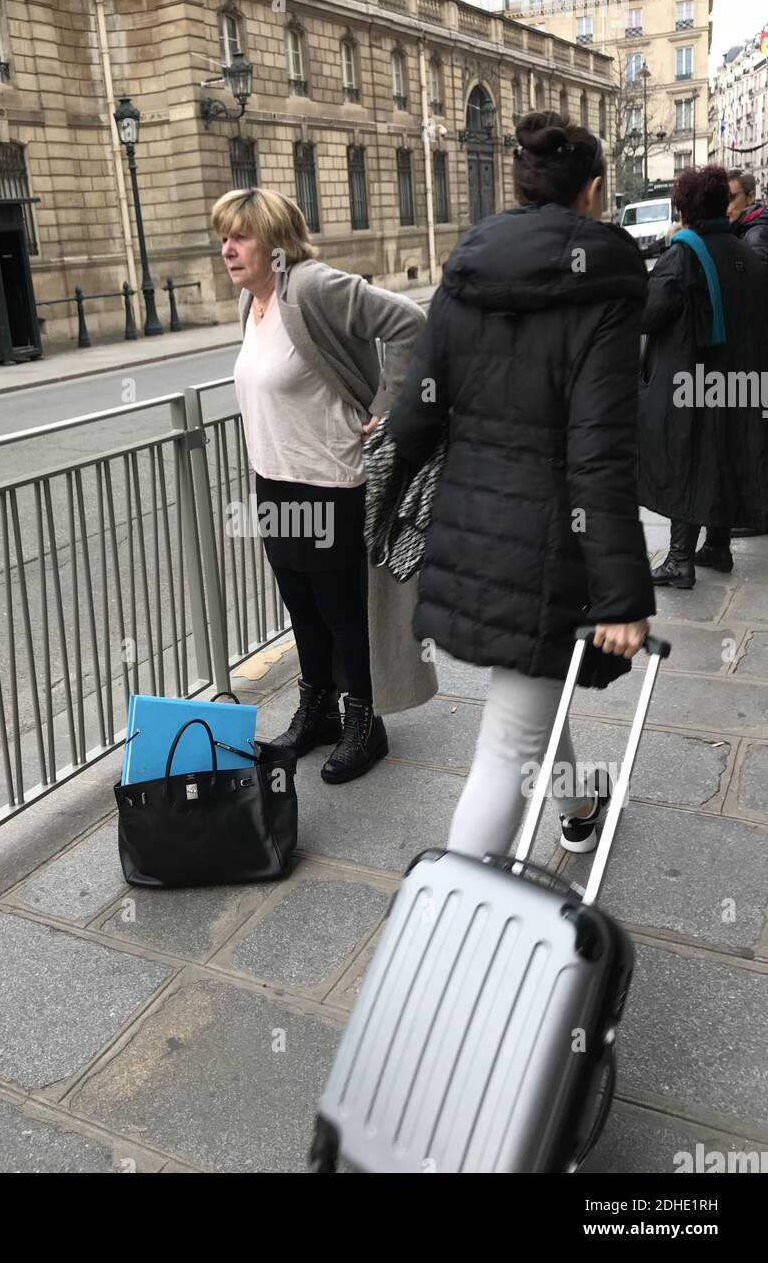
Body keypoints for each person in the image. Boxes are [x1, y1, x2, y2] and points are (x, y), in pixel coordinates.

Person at [388, 111, 654, 858]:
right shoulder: (603, 283)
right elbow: (597, 450)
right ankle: (452, 930)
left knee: (530, 689)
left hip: (470, 534)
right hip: (549, 547)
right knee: (505, 748)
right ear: (594, 192)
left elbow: (413, 417)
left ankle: (575, 807)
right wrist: (621, 594)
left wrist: (375, 509)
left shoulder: (466, 266)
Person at [213, 187, 436, 784]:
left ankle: (365, 722)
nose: (227, 249)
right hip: (275, 481)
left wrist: (388, 409)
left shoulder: (312, 286)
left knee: (342, 610)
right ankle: (318, 711)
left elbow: (410, 323)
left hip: (331, 480)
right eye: (224, 238)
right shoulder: (253, 303)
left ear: (275, 242)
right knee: (301, 607)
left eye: (240, 237)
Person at [640, 166, 766, 586]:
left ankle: (679, 559)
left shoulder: (684, 254)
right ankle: (718, 545)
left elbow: (649, 314)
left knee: (687, 459)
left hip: (690, 380)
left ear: (686, 209)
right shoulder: (743, 250)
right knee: (722, 454)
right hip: (738, 381)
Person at [727, 169, 768, 266]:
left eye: (731, 197)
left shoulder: (757, 236)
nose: (725, 205)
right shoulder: (742, 227)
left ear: (750, 197)